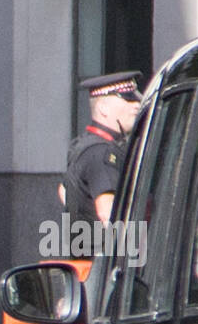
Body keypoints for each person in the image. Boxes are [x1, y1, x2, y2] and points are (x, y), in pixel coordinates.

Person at [59, 71, 142, 226]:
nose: (137, 105)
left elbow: (63, 190)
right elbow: (108, 213)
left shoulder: (83, 144)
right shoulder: (102, 152)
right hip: (103, 248)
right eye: (128, 100)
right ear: (103, 108)